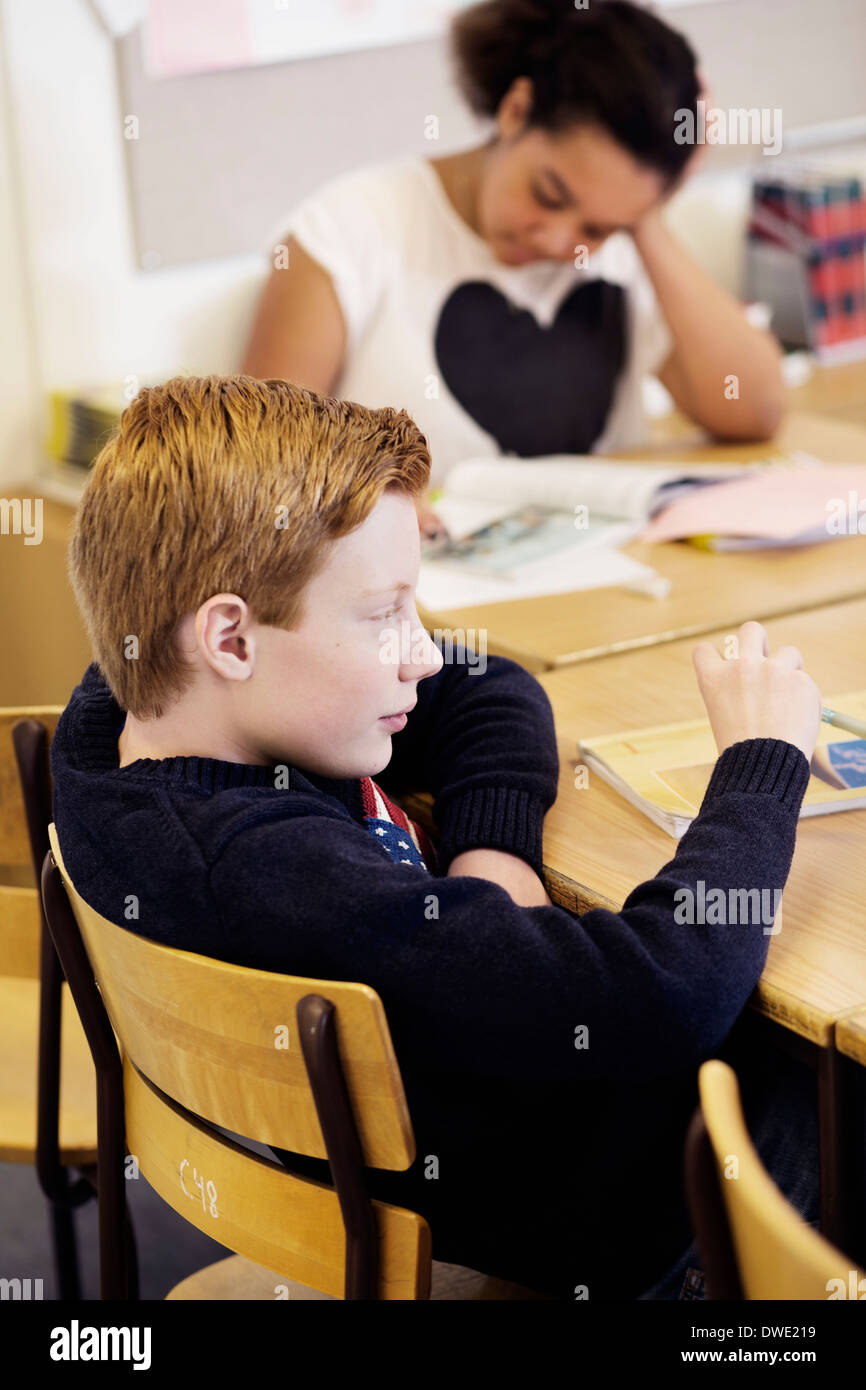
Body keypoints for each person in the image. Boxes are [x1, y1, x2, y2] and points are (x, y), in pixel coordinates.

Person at [52, 374, 820, 1300]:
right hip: (625, 1223)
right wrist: (761, 760)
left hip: (458, 1167)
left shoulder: (129, 717)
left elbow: (491, 684)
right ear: (232, 639)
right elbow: (666, 991)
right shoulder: (278, 873)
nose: (420, 649)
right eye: (383, 615)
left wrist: (491, 856)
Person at [240, 0, 784, 540]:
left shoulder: (624, 241)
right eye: (548, 194)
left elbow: (753, 412)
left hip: (611, 592)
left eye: (595, 229)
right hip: (423, 608)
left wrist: (646, 220)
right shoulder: (346, 233)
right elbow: (254, 472)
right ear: (515, 111)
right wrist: (366, 509)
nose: (556, 240)